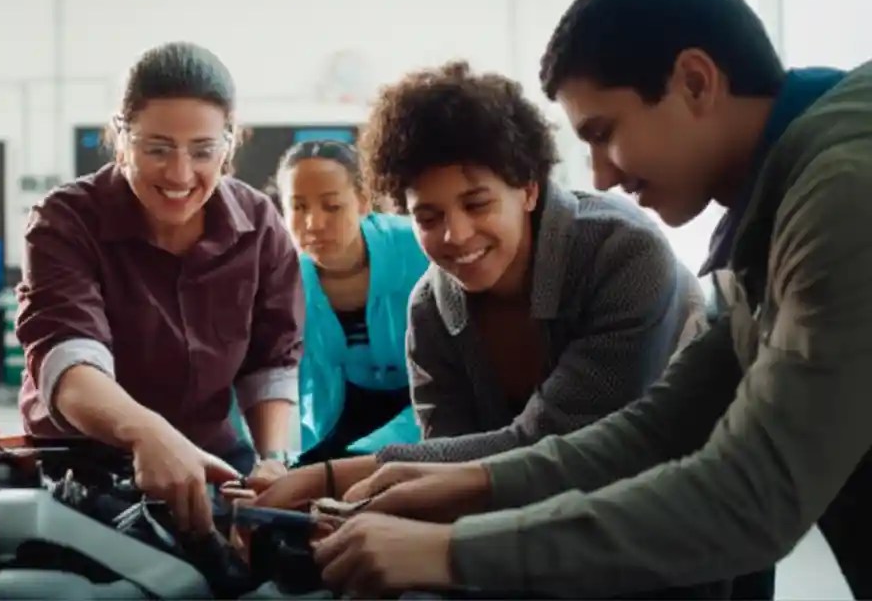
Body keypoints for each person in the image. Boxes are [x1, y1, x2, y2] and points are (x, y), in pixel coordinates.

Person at [301, 0, 872, 600]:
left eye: (604, 134)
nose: (599, 176)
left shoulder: (843, 194)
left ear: (694, 81)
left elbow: (753, 495)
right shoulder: (769, 222)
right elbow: (660, 428)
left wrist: (448, 548)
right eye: (429, 215)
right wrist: (459, 485)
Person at [248, 60, 705, 515]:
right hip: (533, 535)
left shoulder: (622, 256)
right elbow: (449, 471)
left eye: (477, 203)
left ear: (528, 188)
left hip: (677, 522)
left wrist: (330, 476)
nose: (456, 235)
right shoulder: (429, 310)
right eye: (428, 217)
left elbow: (557, 447)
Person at [15, 41, 303, 534]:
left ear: (229, 143)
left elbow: (271, 361)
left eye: (203, 150)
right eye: (158, 149)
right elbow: (69, 360)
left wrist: (273, 459)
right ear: (121, 137)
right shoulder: (65, 221)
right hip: (83, 460)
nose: (180, 173)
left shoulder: (259, 222)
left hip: (213, 455)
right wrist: (148, 434)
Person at [274, 140, 429, 463]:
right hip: (340, 423)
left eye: (331, 206)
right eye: (299, 207)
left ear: (362, 201)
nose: (314, 224)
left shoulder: (418, 249)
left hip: (434, 411)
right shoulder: (279, 281)